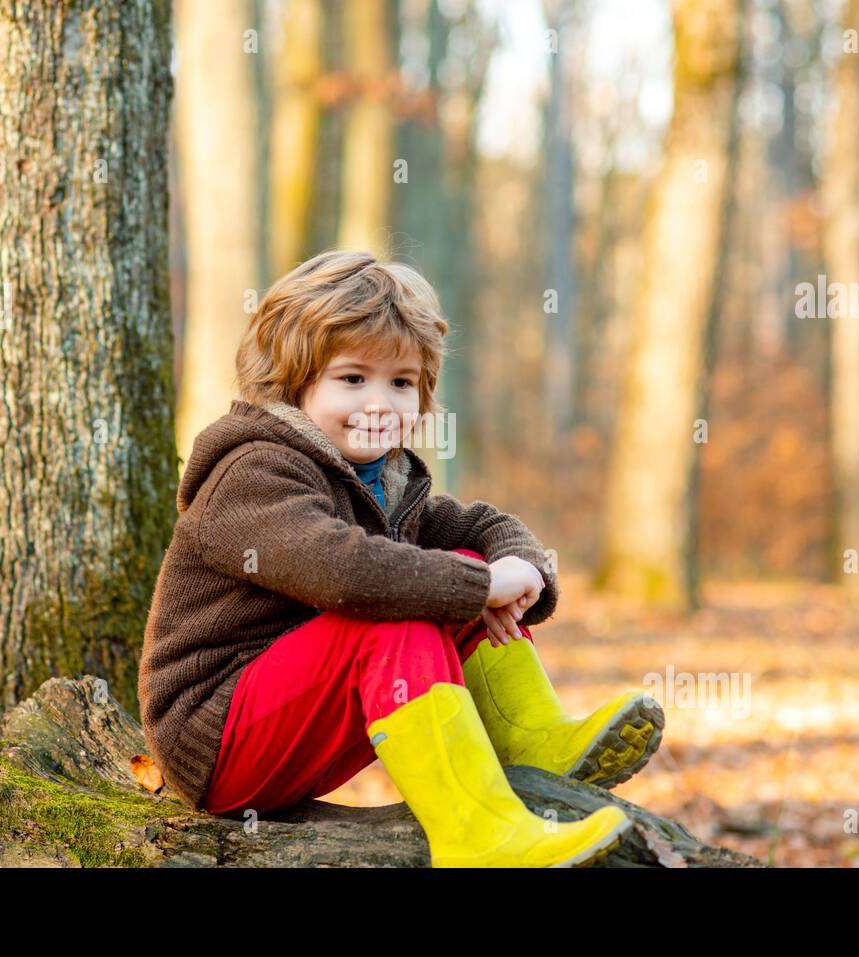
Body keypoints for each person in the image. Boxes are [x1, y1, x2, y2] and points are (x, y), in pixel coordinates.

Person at [139, 249, 664, 867]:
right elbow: (343, 571)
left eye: (402, 383)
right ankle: (477, 836)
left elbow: (478, 526)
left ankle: (535, 744)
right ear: (294, 380)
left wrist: (522, 568)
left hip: (300, 725)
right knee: (407, 603)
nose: (382, 403)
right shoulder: (255, 471)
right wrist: (476, 586)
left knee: (458, 562)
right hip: (217, 738)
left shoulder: (383, 480)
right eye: (353, 378)